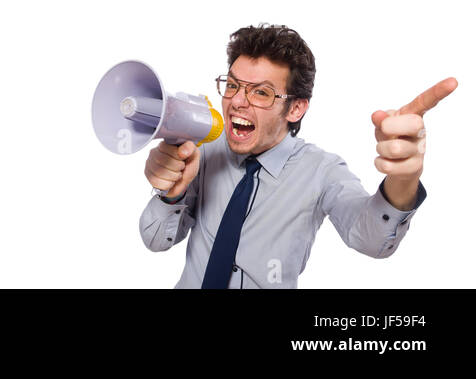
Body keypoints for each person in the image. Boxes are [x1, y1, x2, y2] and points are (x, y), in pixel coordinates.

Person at [139, 24, 457, 288]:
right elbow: (155, 241)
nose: (237, 102)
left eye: (261, 92)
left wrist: (403, 178)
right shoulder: (205, 149)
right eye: (233, 85)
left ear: (296, 107)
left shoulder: (323, 171)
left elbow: (371, 240)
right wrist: (171, 194)